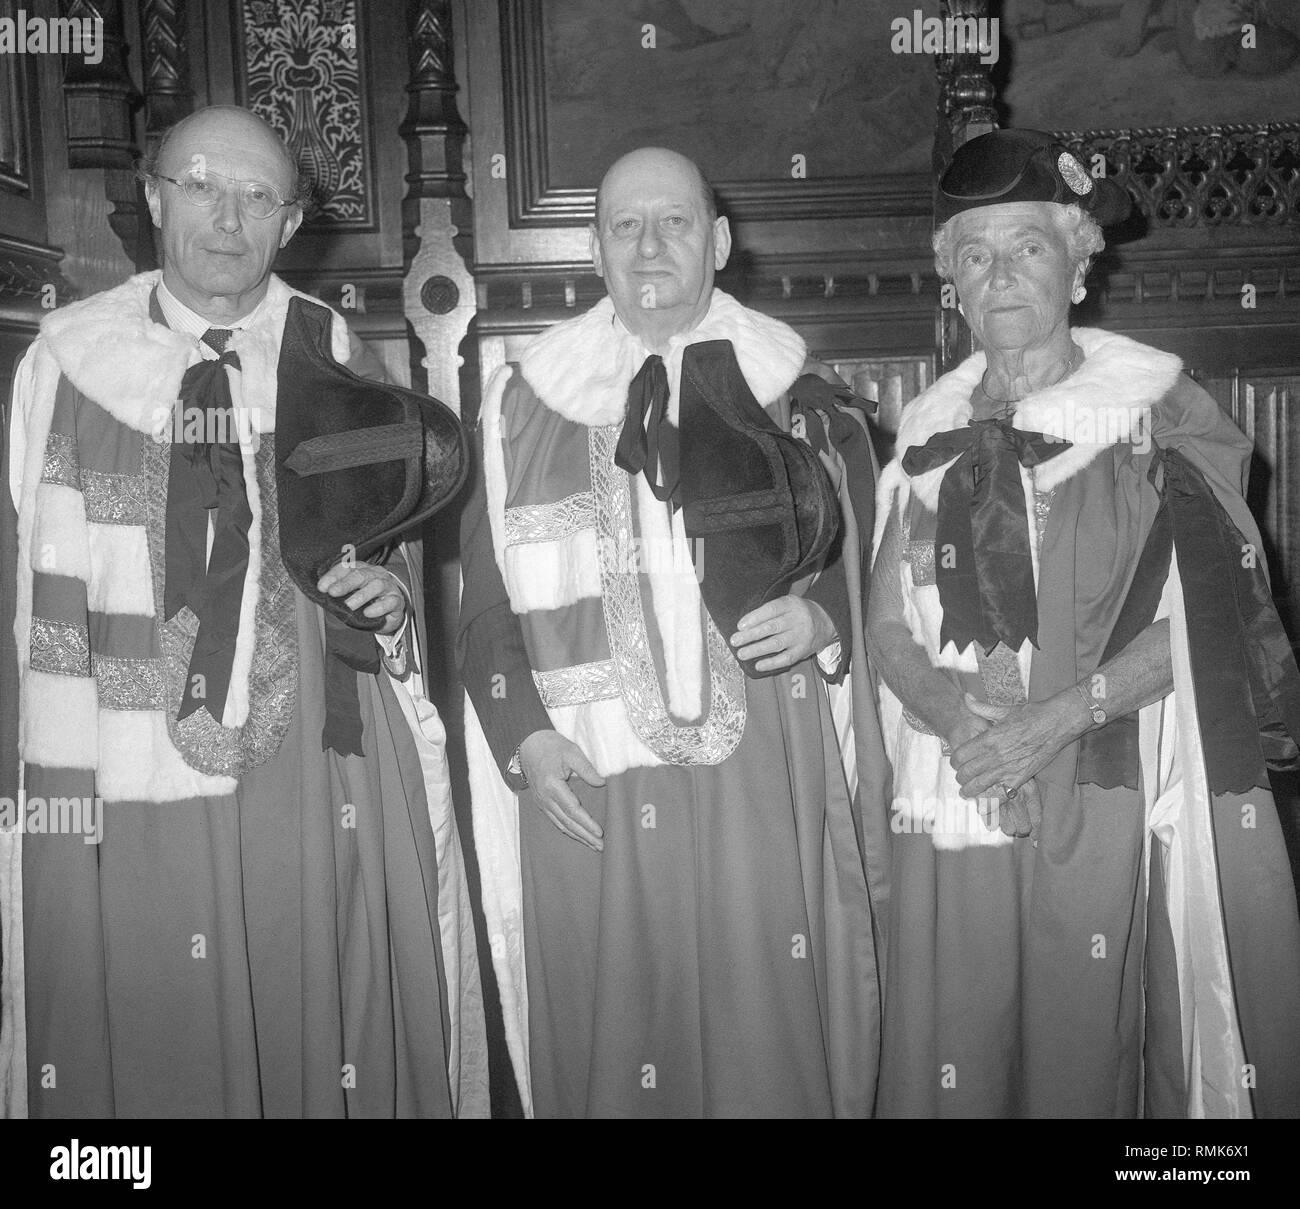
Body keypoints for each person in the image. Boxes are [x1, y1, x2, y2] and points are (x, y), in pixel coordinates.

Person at [0, 105, 486, 1118]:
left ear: (293, 221)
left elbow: (394, 562)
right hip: (127, 769)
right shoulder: (66, 360)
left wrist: (389, 600)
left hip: (314, 759)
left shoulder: (336, 353)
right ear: (150, 196)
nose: (227, 218)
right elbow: (32, 603)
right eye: (200, 185)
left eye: (258, 196)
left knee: (325, 1017)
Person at [869, 127, 1300, 1118]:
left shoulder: (1157, 413)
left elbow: (1212, 615)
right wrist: (953, 716)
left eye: (1026, 246)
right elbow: (885, 616)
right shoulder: (929, 427)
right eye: (973, 254)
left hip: (1100, 774)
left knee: (1082, 1049)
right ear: (953, 284)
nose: (999, 273)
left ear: (1075, 267)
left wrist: (1044, 724)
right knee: (954, 1044)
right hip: (957, 777)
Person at [458, 146, 889, 1118]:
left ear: (720, 242)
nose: (650, 245)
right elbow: (483, 602)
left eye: (677, 222)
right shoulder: (520, 405)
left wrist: (821, 613)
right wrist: (525, 736)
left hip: (762, 764)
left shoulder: (797, 395)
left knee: (765, 1040)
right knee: (615, 1047)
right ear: (596, 249)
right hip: (585, 776)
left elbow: (869, 557)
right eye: (625, 225)